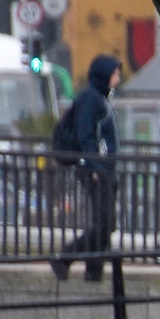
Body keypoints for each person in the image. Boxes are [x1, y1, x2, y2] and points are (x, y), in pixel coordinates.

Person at [52, 53, 121, 281]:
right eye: (114, 74)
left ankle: (94, 268)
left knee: (106, 223)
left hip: (102, 169)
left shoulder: (100, 98)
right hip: (94, 169)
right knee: (104, 223)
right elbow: (86, 135)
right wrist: (94, 167)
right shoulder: (91, 99)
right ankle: (66, 258)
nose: (117, 79)